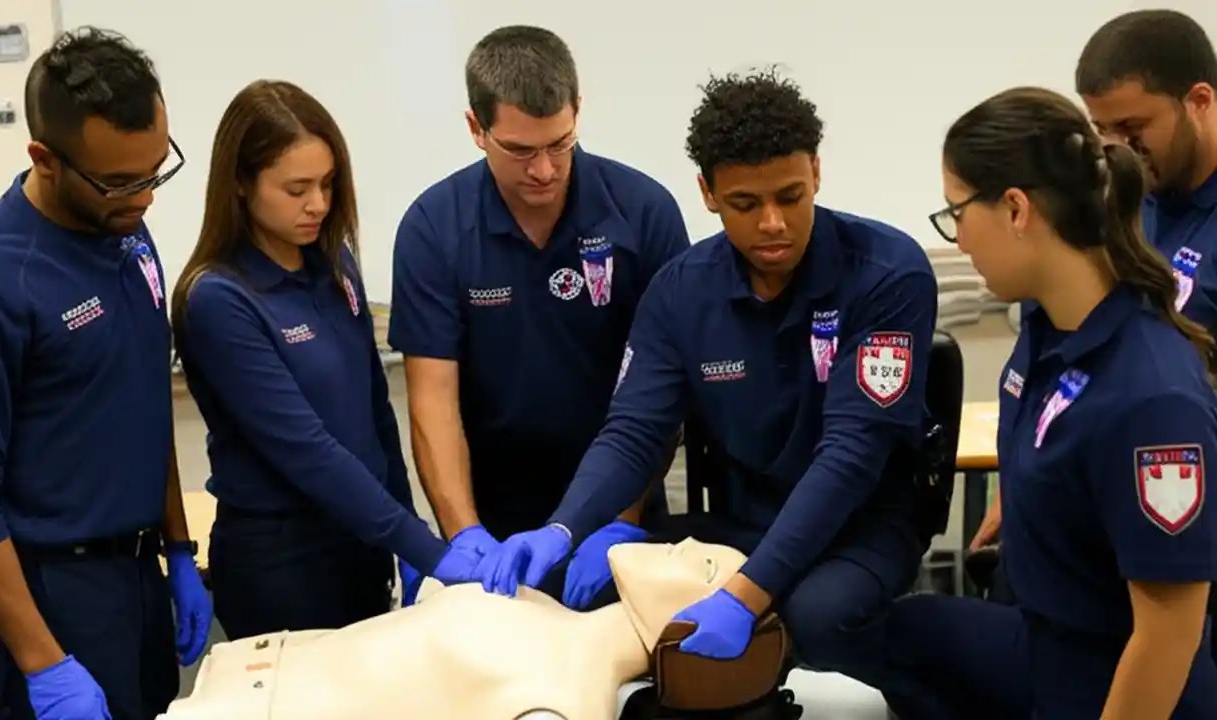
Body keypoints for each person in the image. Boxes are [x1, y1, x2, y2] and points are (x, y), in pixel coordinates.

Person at [478, 67, 941, 691]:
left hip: (859, 524)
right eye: (746, 204)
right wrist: (563, 529)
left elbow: (852, 456)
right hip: (742, 520)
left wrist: (746, 596)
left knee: (817, 617)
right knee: (564, 586)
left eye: (791, 195)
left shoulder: (887, 272)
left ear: (817, 174)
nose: (773, 223)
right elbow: (633, 432)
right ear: (707, 192)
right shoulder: (680, 290)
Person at [883, 86, 1217, 720]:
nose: (957, 241)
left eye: (957, 213)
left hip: (1115, 681)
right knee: (885, 632)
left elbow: (1169, 636)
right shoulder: (1048, 323)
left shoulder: (1152, 398)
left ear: (1015, 209)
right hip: (1049, 637)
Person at [0, 27, 211, 720]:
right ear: (45, 158)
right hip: (55, 597)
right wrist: (43, 661)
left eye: (156, 170)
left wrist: (179, 550)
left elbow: (144, 396)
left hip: (140, 574)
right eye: (121, 181)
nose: (146, 197)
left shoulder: (124, 226)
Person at [170, 80, 488, 640]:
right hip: (282, 564)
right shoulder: (219, 299)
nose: (318, 203)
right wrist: (425, 548)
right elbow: (306, 449)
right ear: (241, 185)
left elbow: (373, 409)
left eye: (327, 183)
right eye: (296, 189)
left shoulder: (332, 262)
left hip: (359, 545)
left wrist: (404, 524)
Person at [386, 24, 691, 605]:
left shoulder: (644, 214)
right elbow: (432, 402)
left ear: (578, 112)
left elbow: (659, 397)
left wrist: (613, 526)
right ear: (476, 129)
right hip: (493, 514)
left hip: (619, 505)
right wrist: (465, 533)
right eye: (520, 151)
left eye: (560, 143)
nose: (544, 171)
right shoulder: (434, 229)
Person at [970, 8, 1217, 556]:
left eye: (1133, 129)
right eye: (1101, 130)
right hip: (1079, 495)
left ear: (1199, 101)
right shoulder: (1111, 197)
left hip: (1181, 502)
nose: (1118, 149)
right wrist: (1021, 480)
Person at [159, 538, 764, 720]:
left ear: (691, 629)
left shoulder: (568, 701)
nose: (685, 541)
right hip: (250, 665)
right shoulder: (544, 604)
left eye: (706, 563)